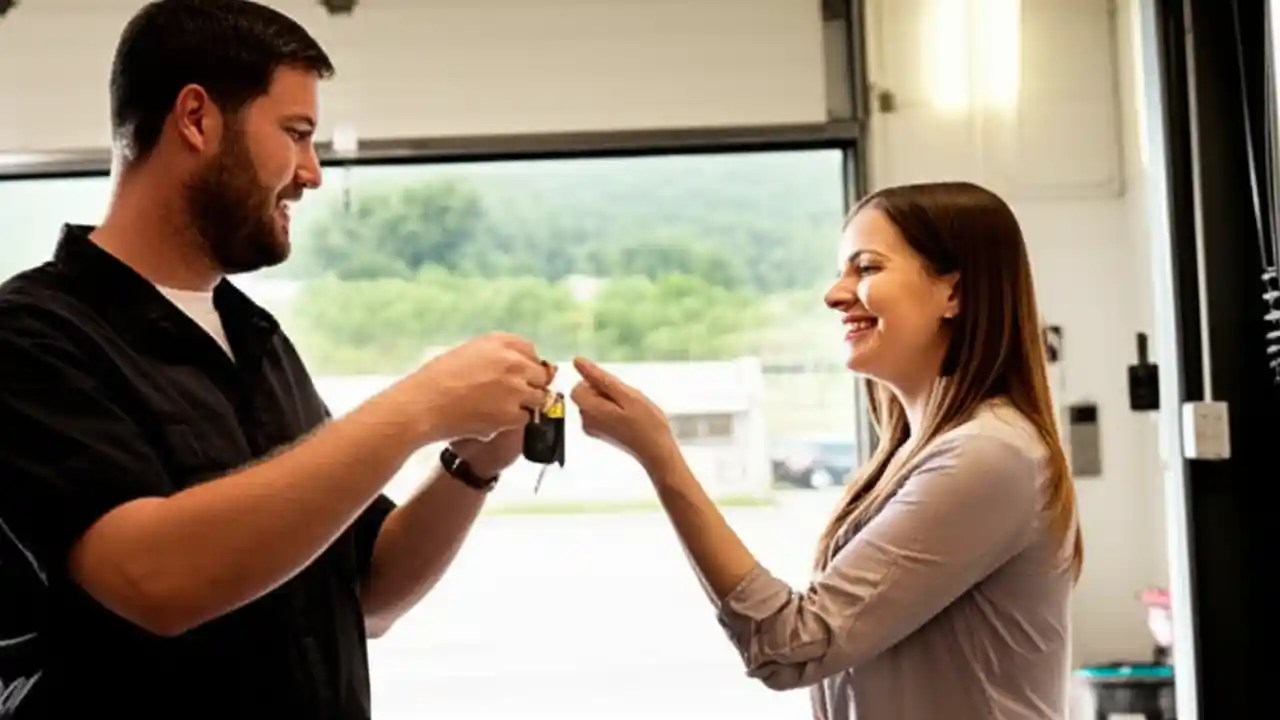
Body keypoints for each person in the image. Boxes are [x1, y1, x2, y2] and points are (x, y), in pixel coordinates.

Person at [0, 1, 554, 717]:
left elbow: (368, 592)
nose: (313, 173)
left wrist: (474, 462)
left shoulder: (256, 339)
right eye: (295, 134)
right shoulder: (32, 338)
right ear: (196, 119)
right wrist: (420, 406)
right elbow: (152, 581)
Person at [572, 181, 1084, 719]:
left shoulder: (989, 456)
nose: (835, 294)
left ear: (952, 294)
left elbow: (789, 645)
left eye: (866, 268)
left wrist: (661, 457)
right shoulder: (919, 455)